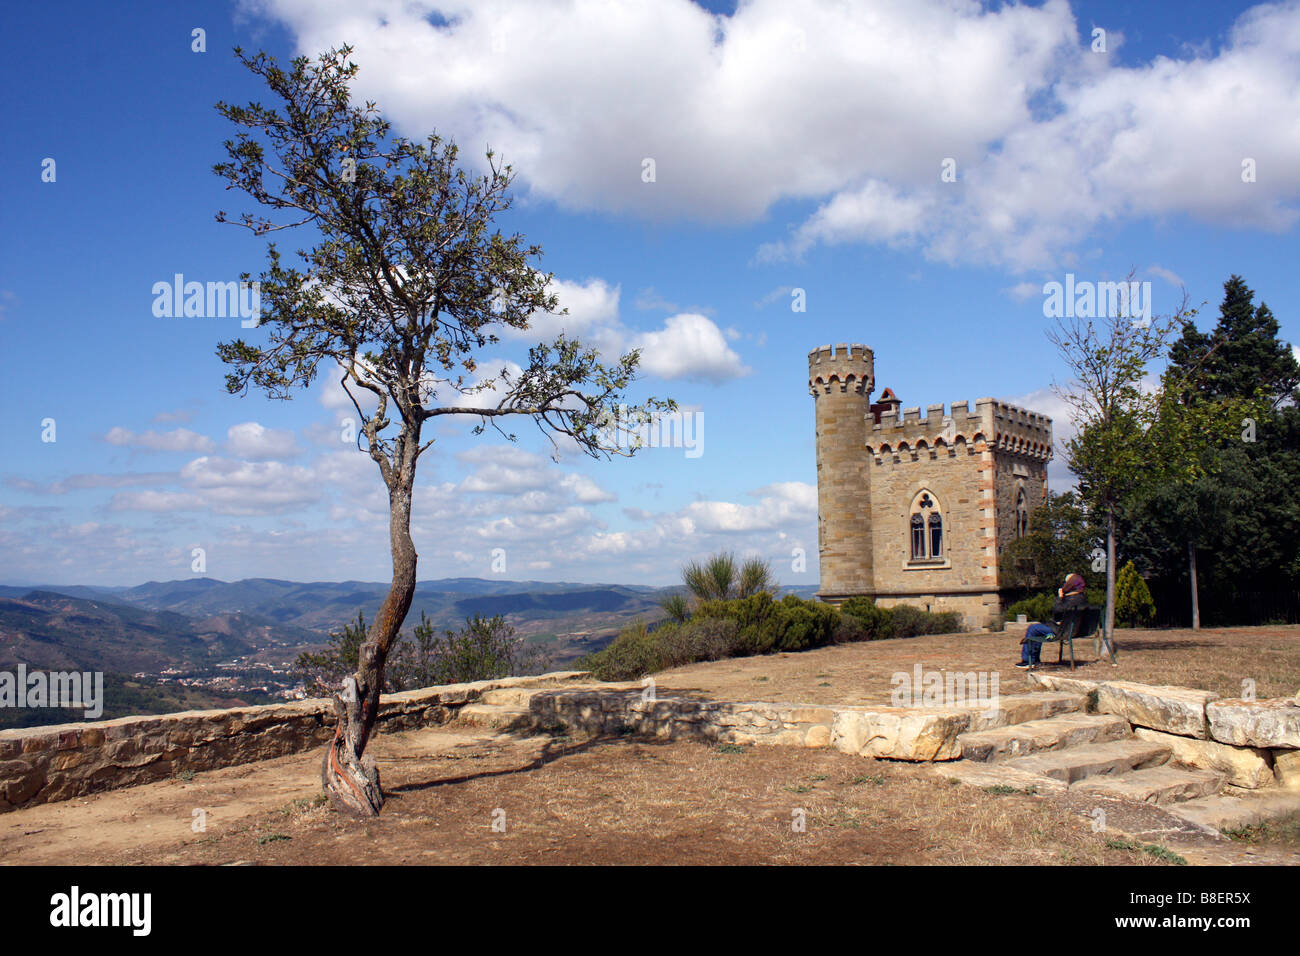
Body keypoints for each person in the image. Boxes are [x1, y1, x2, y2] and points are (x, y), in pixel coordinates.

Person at [1015, 573, 1088, 670]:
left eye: (1066, 583)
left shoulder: (1071, 599)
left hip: (1062, 631)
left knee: (1033, 629)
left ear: (1071, 584)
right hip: (1075, 630)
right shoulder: (1082, 598)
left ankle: (1028, 660)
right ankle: (1033, 659)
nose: (1064, 585)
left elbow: (1056, 611)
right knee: (1037, 629)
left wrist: (1060, 597)